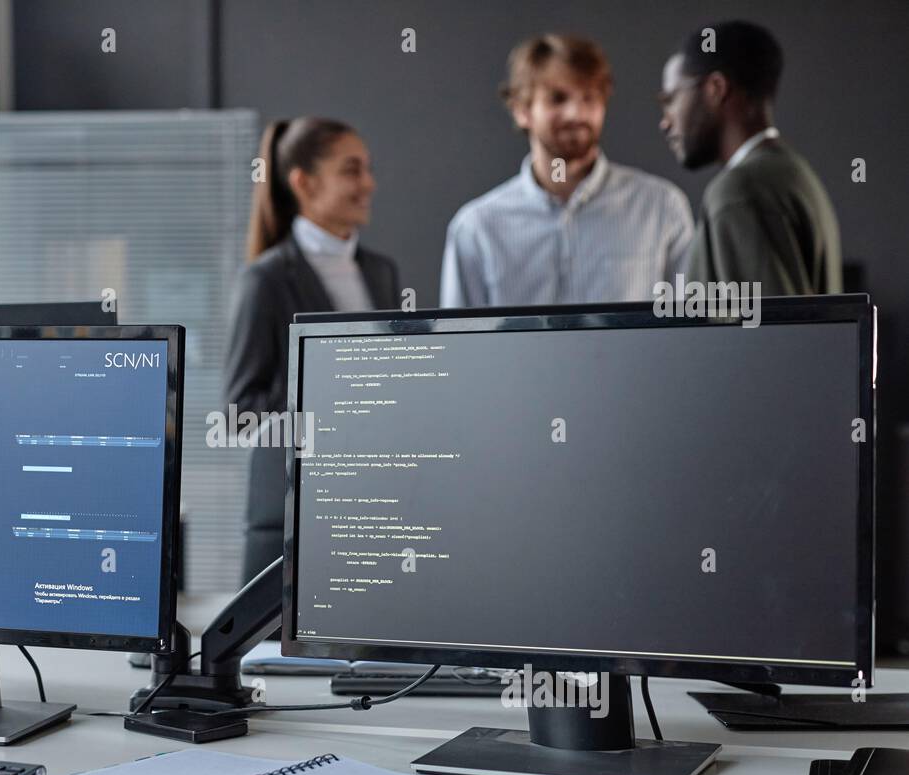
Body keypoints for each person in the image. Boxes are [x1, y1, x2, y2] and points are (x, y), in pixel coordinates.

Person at [224, 117, 400, 583]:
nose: (369, 183)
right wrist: (336, 411)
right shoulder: (264, 281)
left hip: (374, 504)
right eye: (351, 170)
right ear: (303, 182)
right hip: (296, 517)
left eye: (367, 169)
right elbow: (240, 415)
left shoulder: (380, 272)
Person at [441, 34, 693, 308]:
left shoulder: (662, 208)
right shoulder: (477, 229)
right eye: (557, 99)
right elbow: (461, 346)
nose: (576, 114)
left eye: (589, 98)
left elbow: (691, 334)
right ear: (521, 110)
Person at [659, 20, 841, 295]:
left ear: (716, 88)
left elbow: (768, 337)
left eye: (671, 99)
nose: (666, 122)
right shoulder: (793, 173)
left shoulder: (739, 191)